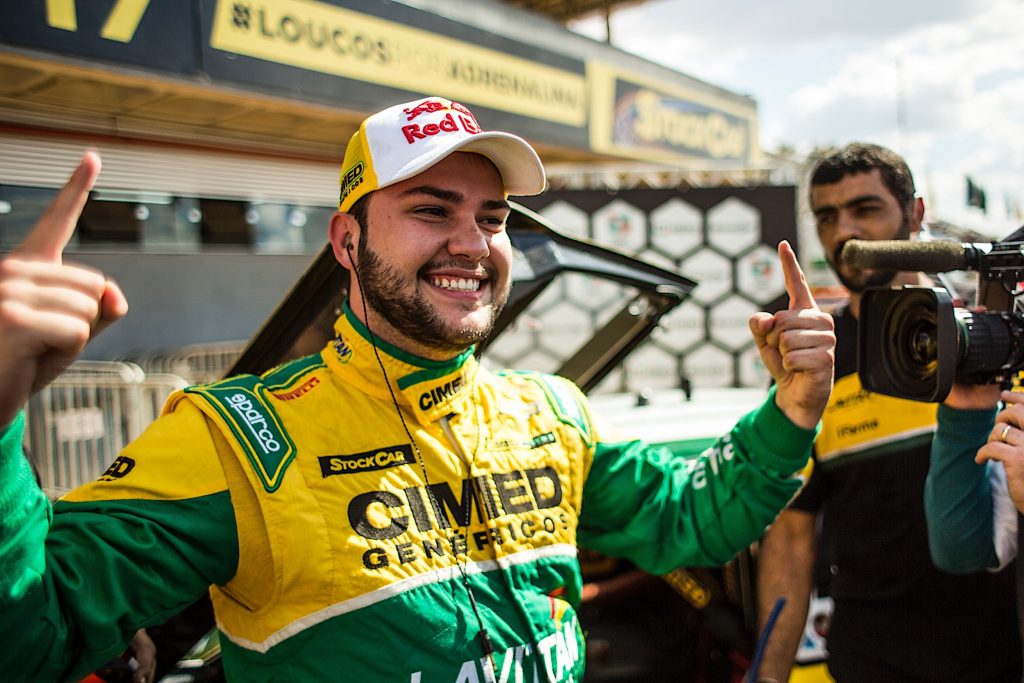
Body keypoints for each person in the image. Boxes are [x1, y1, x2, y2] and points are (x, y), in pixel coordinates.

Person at [0, 96, 835, 682]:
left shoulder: (547, 410)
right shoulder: (235, 435)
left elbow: (695, 518)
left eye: (495, 217)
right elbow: (36, 636)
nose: (473, 242)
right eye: (433, 210)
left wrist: (793, 409)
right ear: (345, 239)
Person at [754, 142, 1021, 683]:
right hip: (868, 660)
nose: (844, 232)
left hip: (996, 656)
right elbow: (791, 536)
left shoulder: (991, 340)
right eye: (827, 216)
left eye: (865, 209)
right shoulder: (813, 362)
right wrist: (770, 675)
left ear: (915, 214)